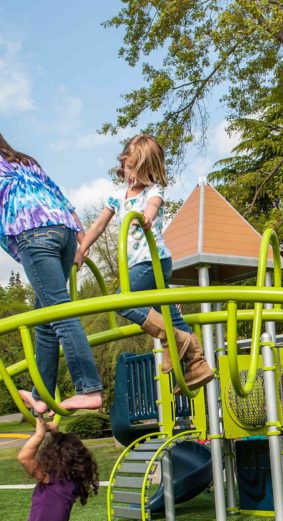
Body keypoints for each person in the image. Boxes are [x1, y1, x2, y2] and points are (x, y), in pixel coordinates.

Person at [0, 123, 103, 415]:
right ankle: (41, 395)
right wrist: (81, 246)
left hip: (34, 235)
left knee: (59, 312)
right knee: (44, 319)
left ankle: (89, 389)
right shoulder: (25, 162)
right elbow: (64, 201)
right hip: (63, 233)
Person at [74, 134, 212, 392]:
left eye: (138, 170)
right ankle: (196, 366)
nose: (132, 175)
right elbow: (99, 224)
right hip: (141, 265)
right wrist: (82, 248)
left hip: (153, 261)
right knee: (170, 316)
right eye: (128, 167)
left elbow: (153, 206)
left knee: (122, 301)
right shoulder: (117, 196)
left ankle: (170, 337)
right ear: (123, 163)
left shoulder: (153, 191)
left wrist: (147, 218)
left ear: (150, 170)